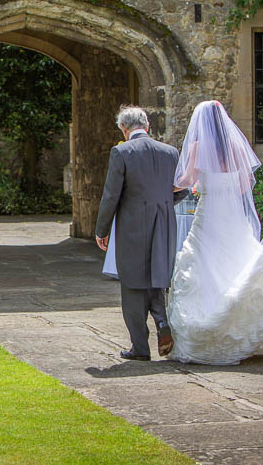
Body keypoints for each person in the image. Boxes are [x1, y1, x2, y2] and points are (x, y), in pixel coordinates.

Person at [166, 100, 263, 365]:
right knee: (238, 260)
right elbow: (243, 185)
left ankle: (211, 329)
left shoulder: (198, 147)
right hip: (233, 216)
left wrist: (171, 186)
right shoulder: (236, 147)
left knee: (203, 262)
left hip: (209, 215)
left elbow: (185, 180)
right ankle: (245, 321)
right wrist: (219, 185)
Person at [95, 106, 188, 360]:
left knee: (133, 284)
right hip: (164, 223)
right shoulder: (170, 152)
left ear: (123, 129)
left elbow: (111, 195)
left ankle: (140, 348)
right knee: (156, 276)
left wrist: (102, 229)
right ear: (147, 126)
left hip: (133, 225)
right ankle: (162, 322)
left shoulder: (122, 152)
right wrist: (163, 205)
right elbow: (182, 188)